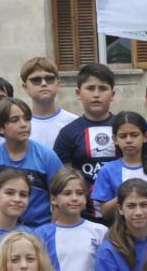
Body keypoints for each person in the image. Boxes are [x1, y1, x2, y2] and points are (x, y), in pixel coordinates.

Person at [0, 98, 62, 231]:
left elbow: (59, 201)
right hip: (3, 234)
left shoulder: (47, 157)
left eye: (27, 119)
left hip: (39, 231)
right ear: (0, 127)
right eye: (15, 120)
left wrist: (49, 234)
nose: (24, 124)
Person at [51, 63, 124, 192]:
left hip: (122, 205)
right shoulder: (67, 133)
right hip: (83, 209)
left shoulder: (125, 128)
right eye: (90, 88)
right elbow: (63, 178)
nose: (96, 94)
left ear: (112, 95)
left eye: (102, 88)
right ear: (78, 93)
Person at [41, 168, 106, 271]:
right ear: (53, 199)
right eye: (67, 193)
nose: (74, 198)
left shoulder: (100, 231)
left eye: (80, 193)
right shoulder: (42, 234)